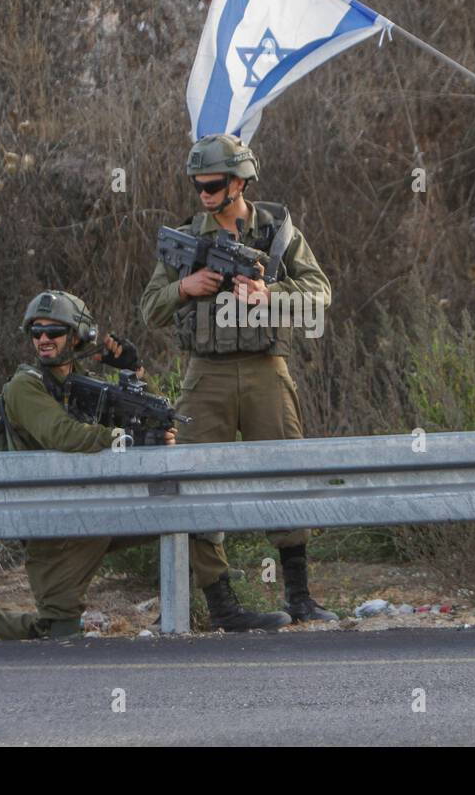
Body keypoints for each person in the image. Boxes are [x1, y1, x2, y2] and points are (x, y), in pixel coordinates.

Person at [0, 289, 290, 641]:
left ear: (77, 337)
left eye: (54, 331)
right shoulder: (26, 386)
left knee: (187, 507)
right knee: (58, 630)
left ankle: (223, 608)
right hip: (54, 528)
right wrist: (127, 441)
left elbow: (153, 416)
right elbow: (63, 435)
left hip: (98, 512)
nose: (44, 340)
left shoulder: (82, 386)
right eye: (37, 332)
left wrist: (135, 373)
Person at [140, 134, 338, 622]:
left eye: (214, 184)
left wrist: (268, 293)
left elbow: (320, 294)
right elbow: (149, 310)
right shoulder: (187, 238)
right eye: (198, 185)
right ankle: (221, 603)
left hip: (265, 369)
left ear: (240, 182)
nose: (205, 194)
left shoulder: (277, 232)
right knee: (196, 483)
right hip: (204, 374)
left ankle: (298, 595)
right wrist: (185, 288)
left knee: (285, 476)